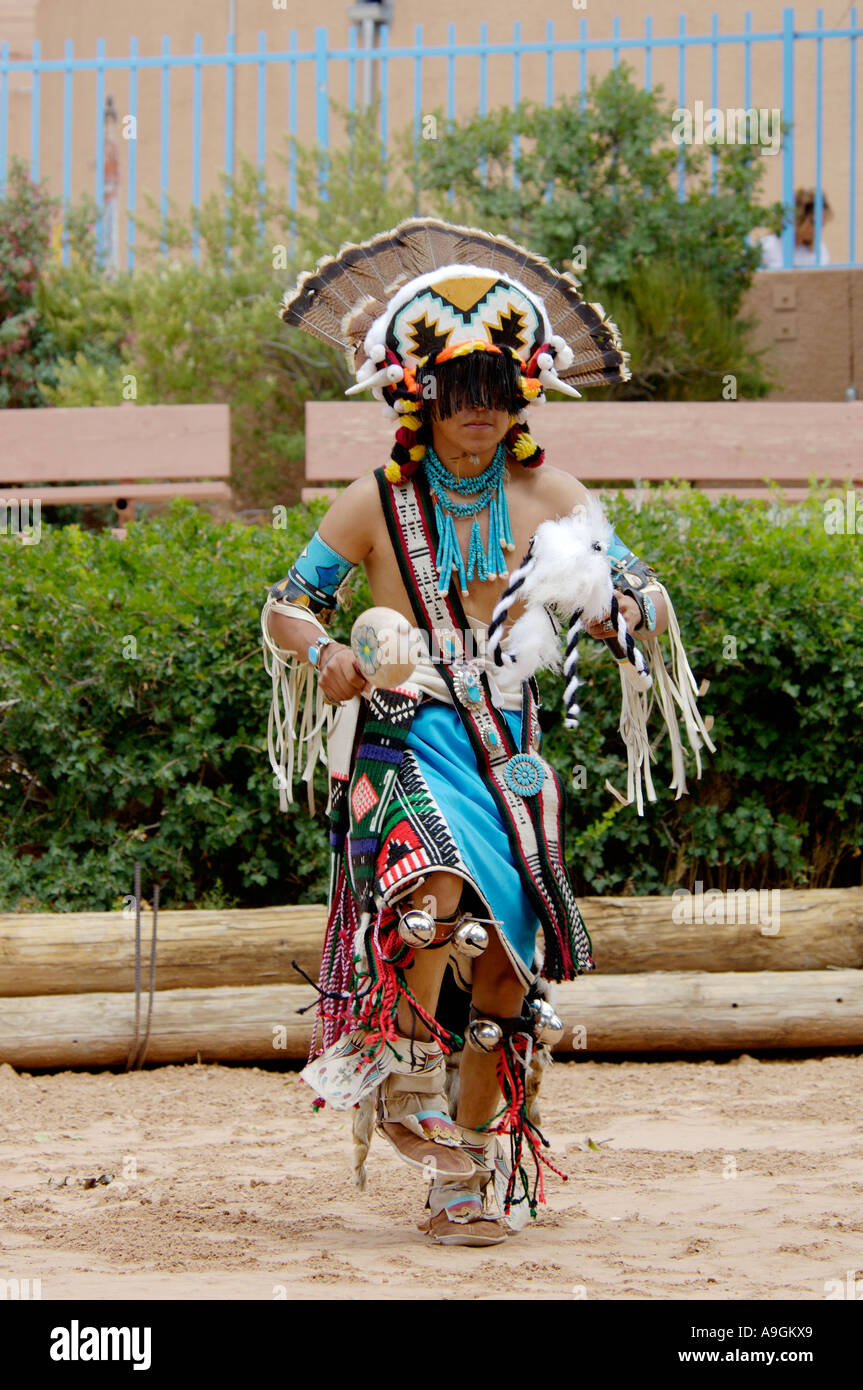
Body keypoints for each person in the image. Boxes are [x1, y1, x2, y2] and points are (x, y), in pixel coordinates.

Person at [260, 218, 712, 1245]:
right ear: (416, 401)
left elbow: (636, 587)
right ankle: (399, 1072)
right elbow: (290, 601)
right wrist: (318, 649)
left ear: (522, 402)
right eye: (458, 404)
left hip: (506, 748)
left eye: (496, 401)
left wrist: (619, 608)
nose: (477, 422)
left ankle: (464, 1177)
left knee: (506, 965)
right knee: (429, 893)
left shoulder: (548, 495)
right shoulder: (372, 503)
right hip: (400, 733)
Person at [759, 188, 833, 268]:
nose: (817, 230)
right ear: (797, 218)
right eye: (813, 222)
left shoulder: (819, 250)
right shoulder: (767, 247)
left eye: (821, 225)